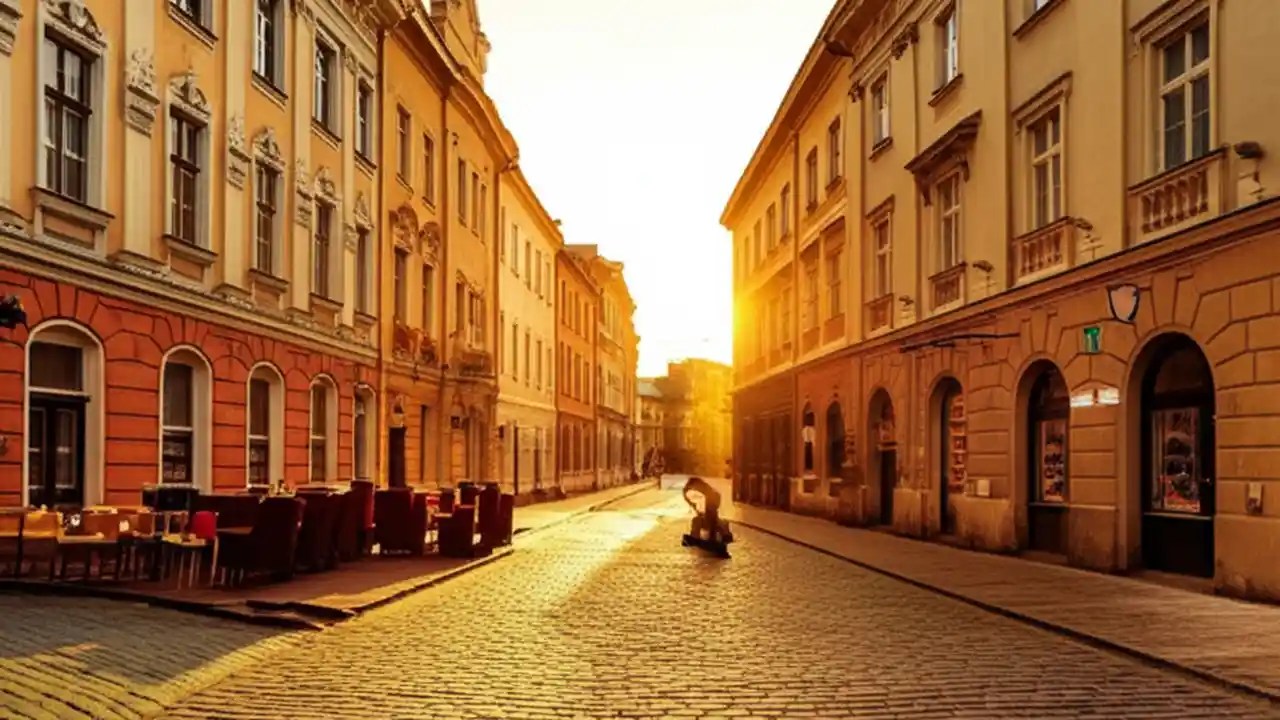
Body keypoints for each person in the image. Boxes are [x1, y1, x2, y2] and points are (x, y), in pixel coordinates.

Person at [683, 476, 728, 544]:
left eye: (699, 497)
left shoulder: (721, 525)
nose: (697, 503)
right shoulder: (696, 522)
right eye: (692, 499)